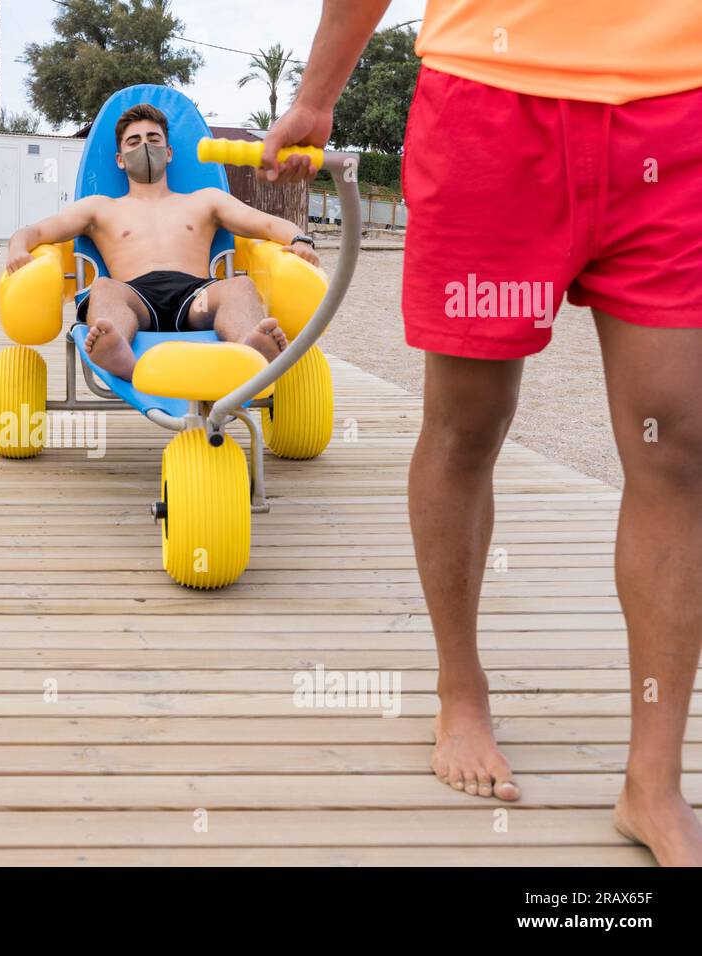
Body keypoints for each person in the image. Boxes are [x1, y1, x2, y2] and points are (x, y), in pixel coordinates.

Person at [263, 0, 702, 866]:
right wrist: (318, 94)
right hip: (490, 106)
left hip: (675, 107)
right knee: (467, 425)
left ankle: (652, 780)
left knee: (678, 444)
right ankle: (460, 690)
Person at [5, 104, 318, 380]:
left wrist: (299, 239)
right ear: (120, 160)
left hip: (196, 299)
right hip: (135, 299)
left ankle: (252, 348)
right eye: (134, 141)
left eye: (153, 139)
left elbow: (264, 223)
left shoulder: (205, 201)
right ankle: (117, 351)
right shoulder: (99, 208)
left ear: (168, 152)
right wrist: (18, 248)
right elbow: (36, 231)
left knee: (239, 287)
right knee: (103, 288)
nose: (145, 146)